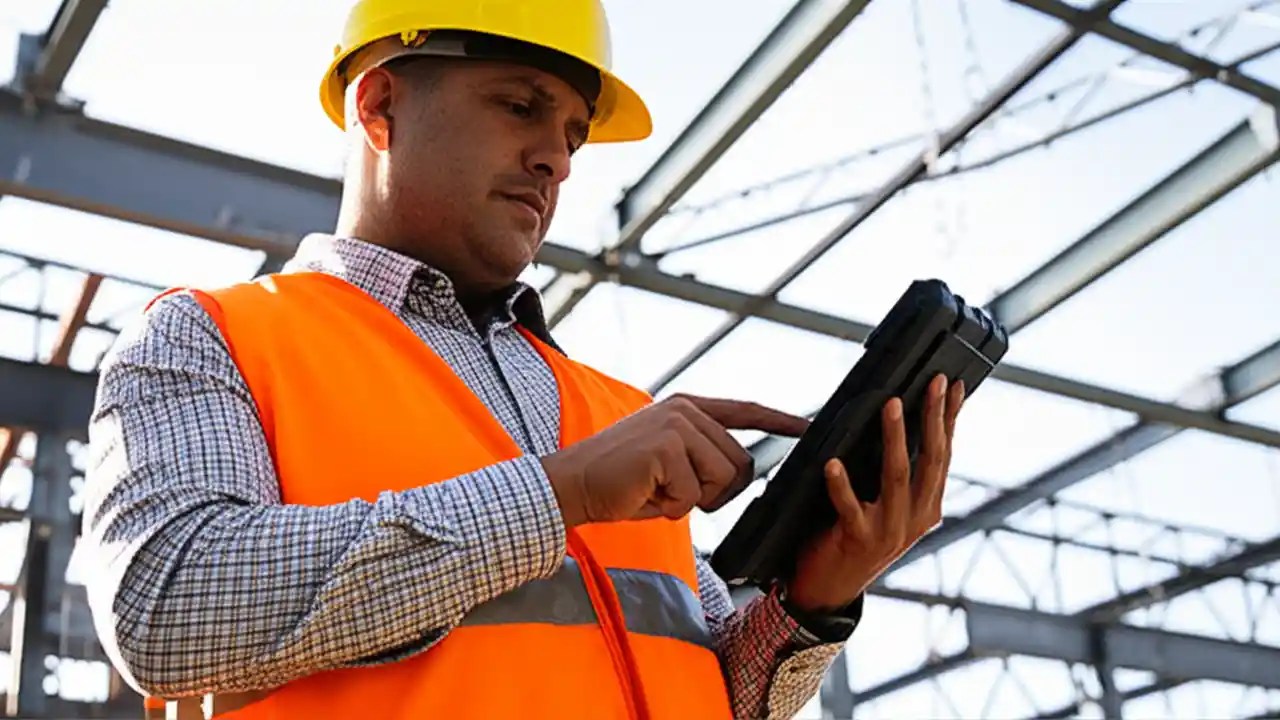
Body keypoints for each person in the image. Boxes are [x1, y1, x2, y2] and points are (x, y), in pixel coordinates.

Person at [81, 1, 965, 718]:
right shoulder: (211, 340)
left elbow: (706, 690)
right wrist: (558, 495)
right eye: (520, 105)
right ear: (380, 105)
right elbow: (164, 608)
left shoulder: (617, 410)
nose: (556, 160)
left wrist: (812, 604)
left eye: (576, 134)